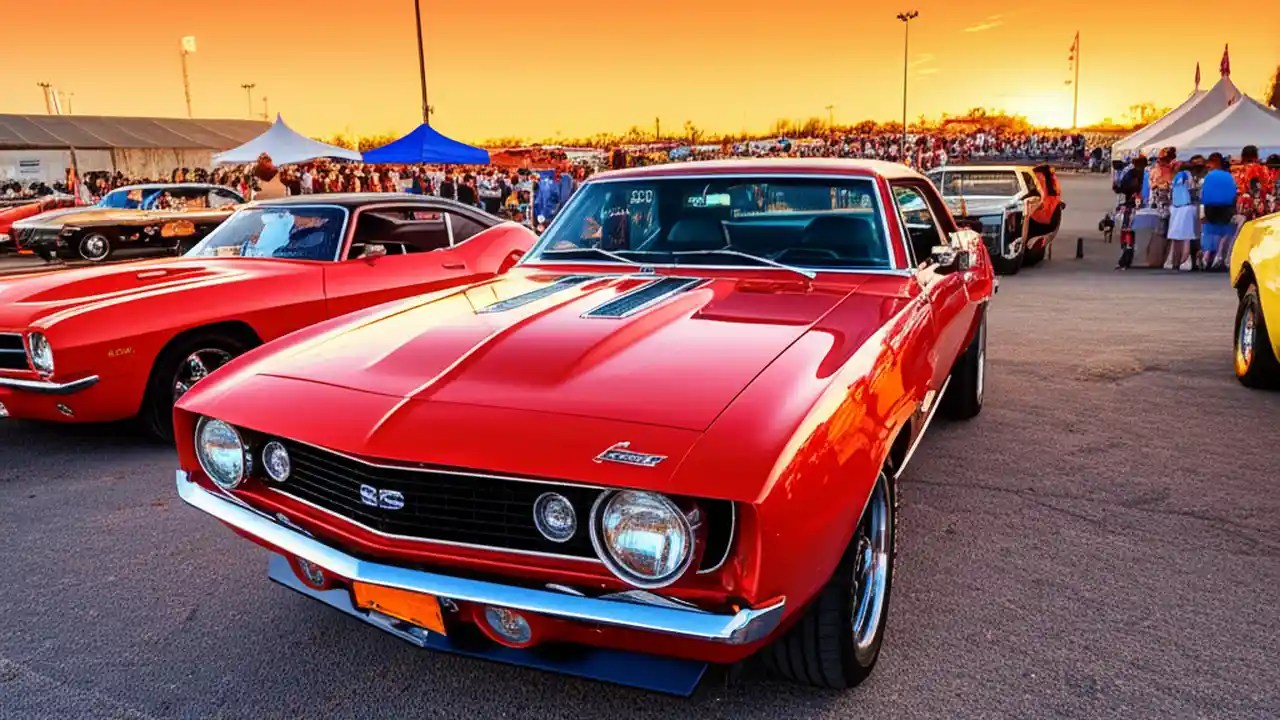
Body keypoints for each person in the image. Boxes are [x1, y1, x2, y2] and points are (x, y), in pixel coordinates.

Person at [1199, 153, 1237, 270]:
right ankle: (1219, 256)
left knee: (1210, 231)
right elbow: (1233, 193)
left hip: (1210, 207)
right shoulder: (1229, 176)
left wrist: (1203, 209)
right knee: (1226, 231)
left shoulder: (1208, 177)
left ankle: (1206, 257)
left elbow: (1203, 194)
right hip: (1226, 207)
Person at [1115, 155, 1147, 270]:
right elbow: (1120, 187)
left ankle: (1127, 254)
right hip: (1132, 205)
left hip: (1131, 206)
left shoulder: (1137, 174)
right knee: (1128, 231)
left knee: (1127, 231)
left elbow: (1119, 188)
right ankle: (1126, 254)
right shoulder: (1133, 174)